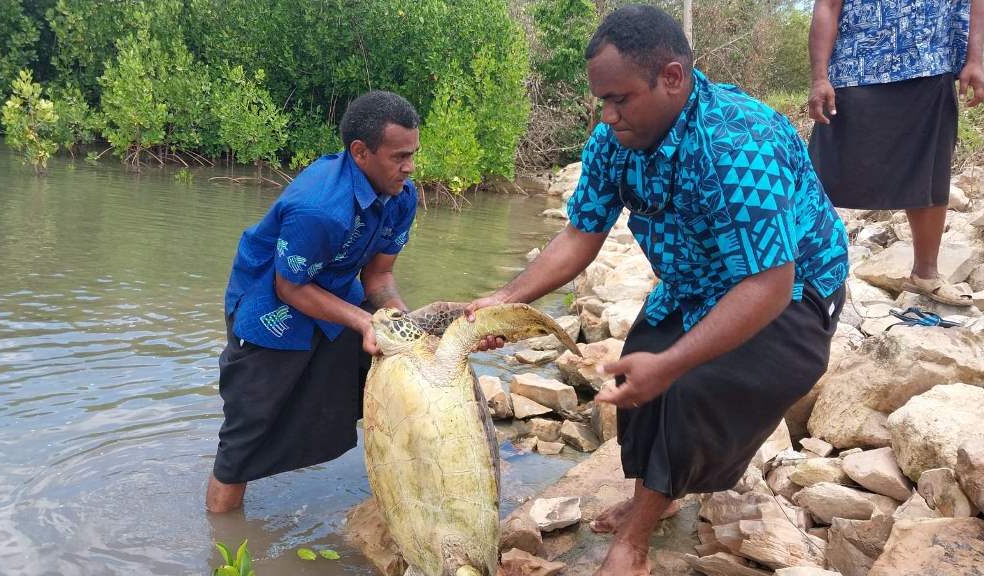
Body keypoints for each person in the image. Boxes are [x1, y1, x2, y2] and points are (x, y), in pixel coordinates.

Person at [464, 5, 850, 575]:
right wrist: (506, 300)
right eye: (601, 100)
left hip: (797, 294)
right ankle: (655, 496)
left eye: (620, 99)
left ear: (672, 77)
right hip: (698, 284)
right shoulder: (613, 142)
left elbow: (770, 284)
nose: (607, 115)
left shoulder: (739, 141)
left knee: (692, 386)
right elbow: (579, 236)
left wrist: (672, 364)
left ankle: (635, 543)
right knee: (637, 370)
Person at [206, 90, 421, 513]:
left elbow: (378, 276)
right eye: (399, 157)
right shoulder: (320, 208)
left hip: (336, 294)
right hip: (271, 311)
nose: (409, 167)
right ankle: (222, 539)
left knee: (401, 377)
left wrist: (401, 322)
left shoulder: (402, 197)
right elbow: (290, 288)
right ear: (360, 152)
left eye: (413, 154)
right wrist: (364, 322)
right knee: (242, 444)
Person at [808, 0, 983, 306]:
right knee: (822, 173)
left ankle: (926, 273)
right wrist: (820, 78)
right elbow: (828, 5)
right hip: (857, 66)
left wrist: (976, 59)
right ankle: (802, 269)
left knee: (929, 168)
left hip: (930, 60)